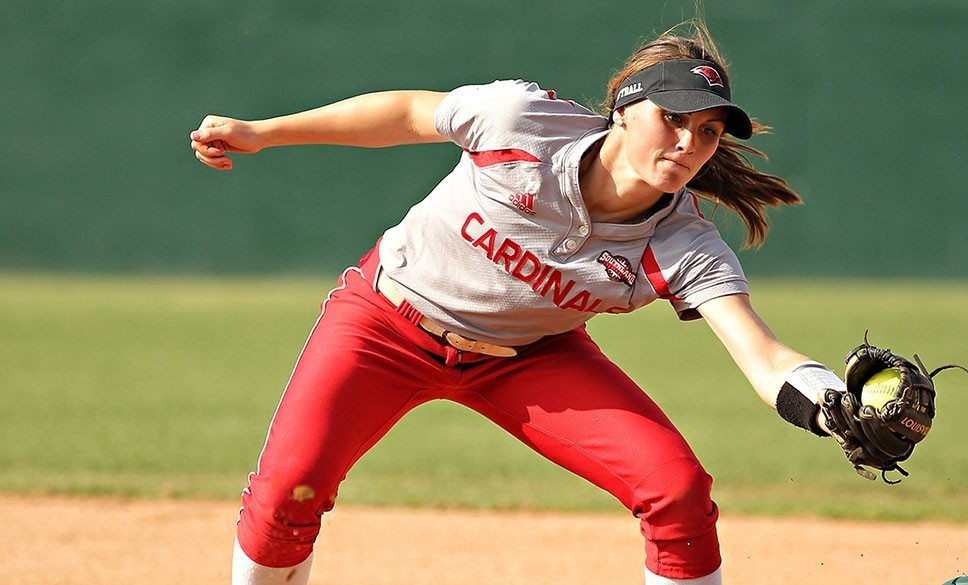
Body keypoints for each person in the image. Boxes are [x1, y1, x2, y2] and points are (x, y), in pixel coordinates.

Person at [190, 19, 847, 585]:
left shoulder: (683, 242)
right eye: (672, 118)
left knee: (676, 490)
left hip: (528, 359)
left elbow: (762, 356)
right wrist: (263, 132)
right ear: (624, 107)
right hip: (385, 322)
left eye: (707, 132)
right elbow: (406, 113)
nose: (687, 143)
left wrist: (837, 408)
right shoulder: (521, 123)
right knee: (288, 491)